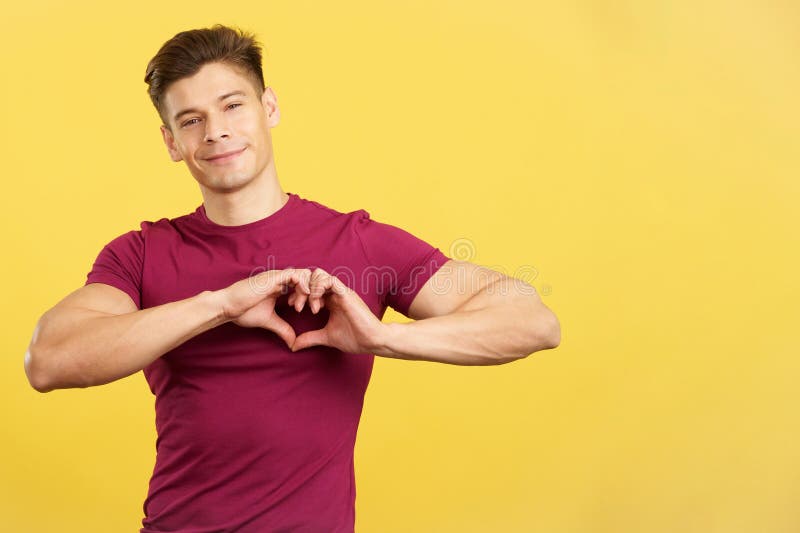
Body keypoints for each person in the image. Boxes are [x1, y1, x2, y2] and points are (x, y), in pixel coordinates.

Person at [23, 24, 561, 532]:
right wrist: (221, 305)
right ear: (170, 142)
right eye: (190, 120)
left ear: (269, 107)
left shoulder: (361, 245)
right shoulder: (140, 254)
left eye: (232, 105)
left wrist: (385, 337)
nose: (217, 131)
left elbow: (532, 321)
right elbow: (49, 360)